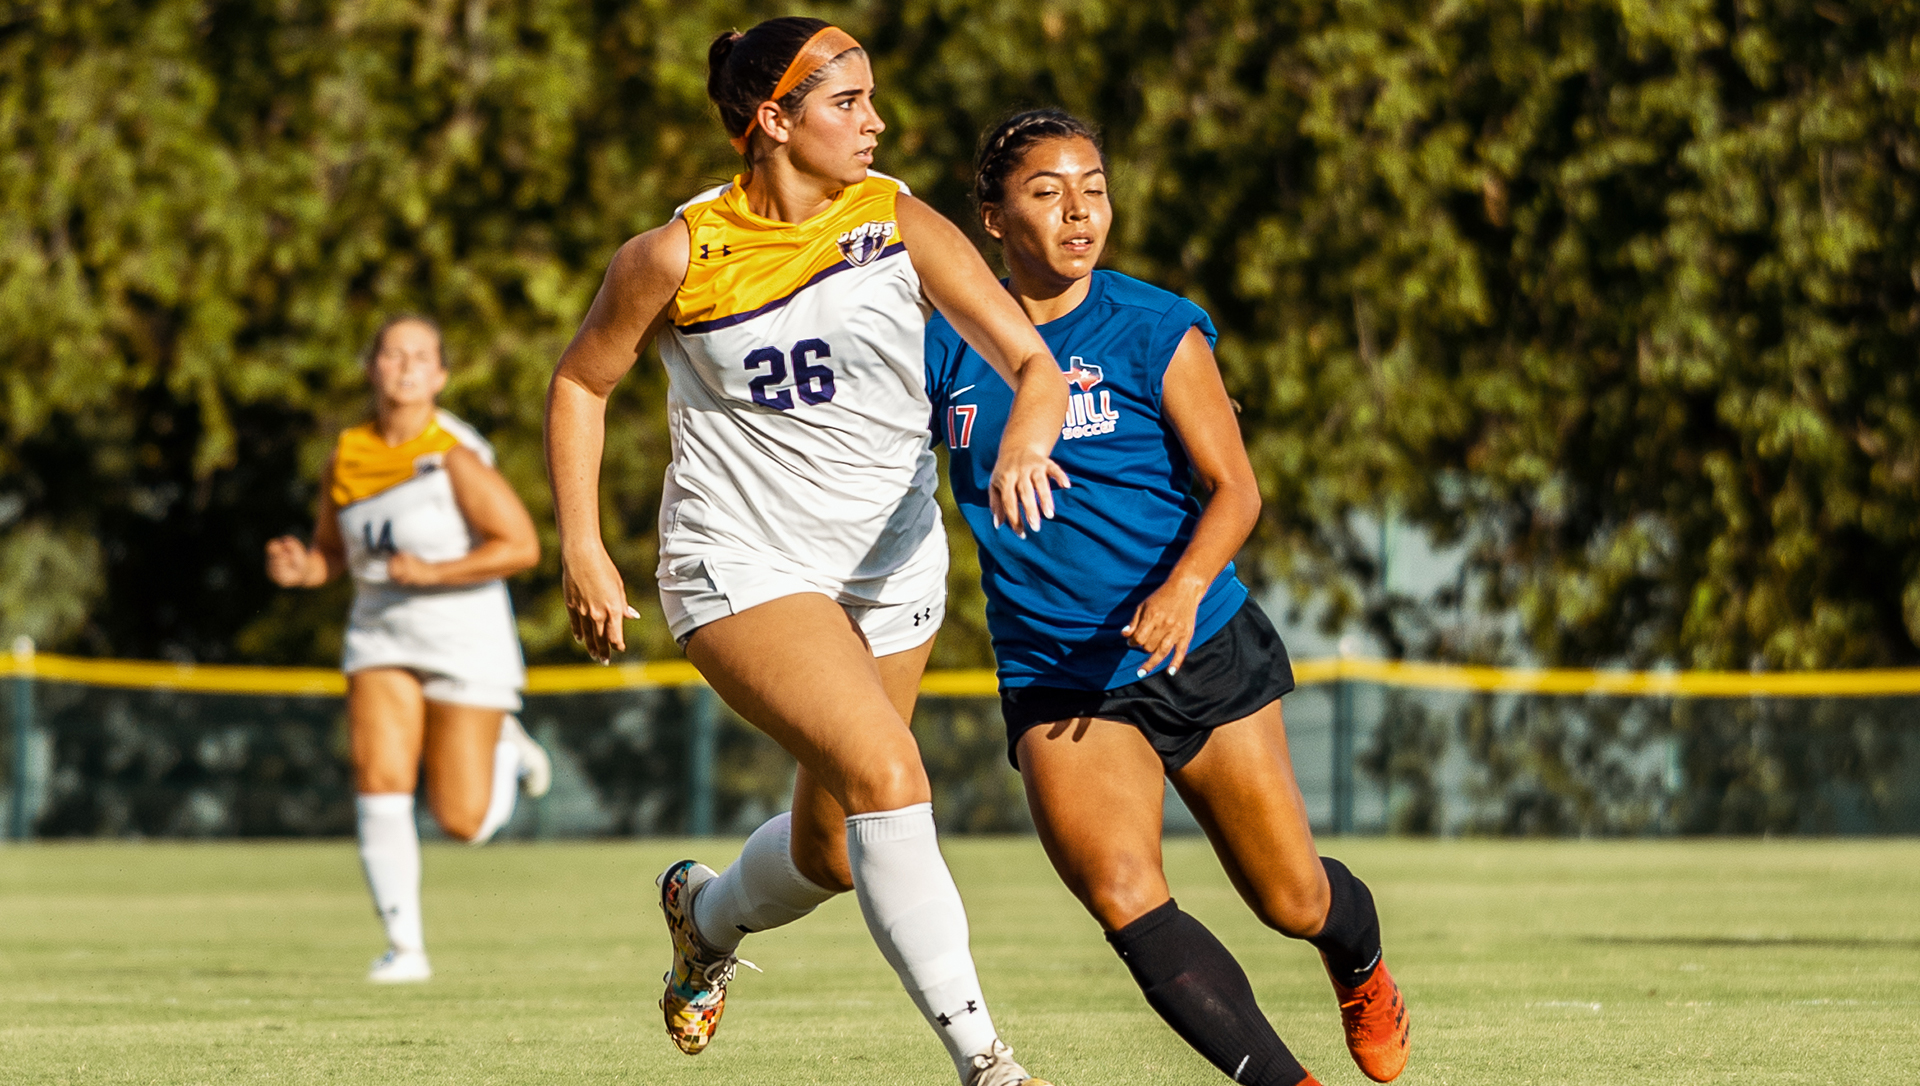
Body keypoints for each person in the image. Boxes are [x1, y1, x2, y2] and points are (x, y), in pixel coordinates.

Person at [543, 18, 1069, 1086]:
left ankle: (705, 916)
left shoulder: (896, 218)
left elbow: (1030, 358)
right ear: (773, 121)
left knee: (833, 850)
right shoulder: (676, 253)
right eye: (847, 103)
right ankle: (988, 1062)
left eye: (872, 100)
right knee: (888, 768)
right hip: (739, 564)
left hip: (889, 568)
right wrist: (583, 549)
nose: (874, 122)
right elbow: (581, 384)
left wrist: (1026, 425)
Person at [924, 109, 1413, 1086]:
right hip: (1057, 671)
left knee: (1290, 898)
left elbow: (1239, 491)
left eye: (1094, 188)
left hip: (1196, 642)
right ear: (990, 219)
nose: (1079, 211)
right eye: (1047, 191)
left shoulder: (1155, 327)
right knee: (1122, 893)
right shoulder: (940, 347)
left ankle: (1355, 960)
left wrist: (1185, 588)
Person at [266, 314, 551, 984]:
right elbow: (334, 554)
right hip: (381, 632)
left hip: (465, 637)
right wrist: (302, 568)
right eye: (393, 353)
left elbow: (521, 547)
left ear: (441, 375)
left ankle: (503, 749)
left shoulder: (453, 452)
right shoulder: (346, 453)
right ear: (372, 367)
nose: (405, 366)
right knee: (380, 780)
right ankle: (405, 949)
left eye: (421, 356)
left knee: (461, 822)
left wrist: (434, 572)